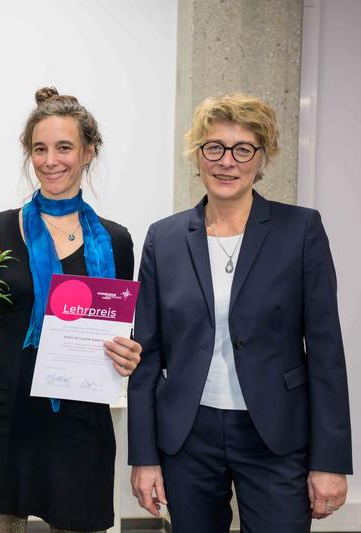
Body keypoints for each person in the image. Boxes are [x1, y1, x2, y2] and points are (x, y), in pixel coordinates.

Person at [128, 93, 353, 532]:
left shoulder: (300, 230)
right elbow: (147, 354)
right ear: (198, 156)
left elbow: (327, 352)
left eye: (242, 149)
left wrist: (330, 462)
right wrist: (144, 457)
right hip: (187, 436)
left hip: (276, 433)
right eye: (214, 147)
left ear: (262, 158)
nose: (226, 161)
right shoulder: (165, 238)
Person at [0, 87, 142, 533]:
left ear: (88, 152)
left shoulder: (117, 240)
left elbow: (120, 330)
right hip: (7, 414)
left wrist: (129, 353)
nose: (51, 160)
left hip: (80, 417)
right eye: (39, 149)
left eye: (64, 147)